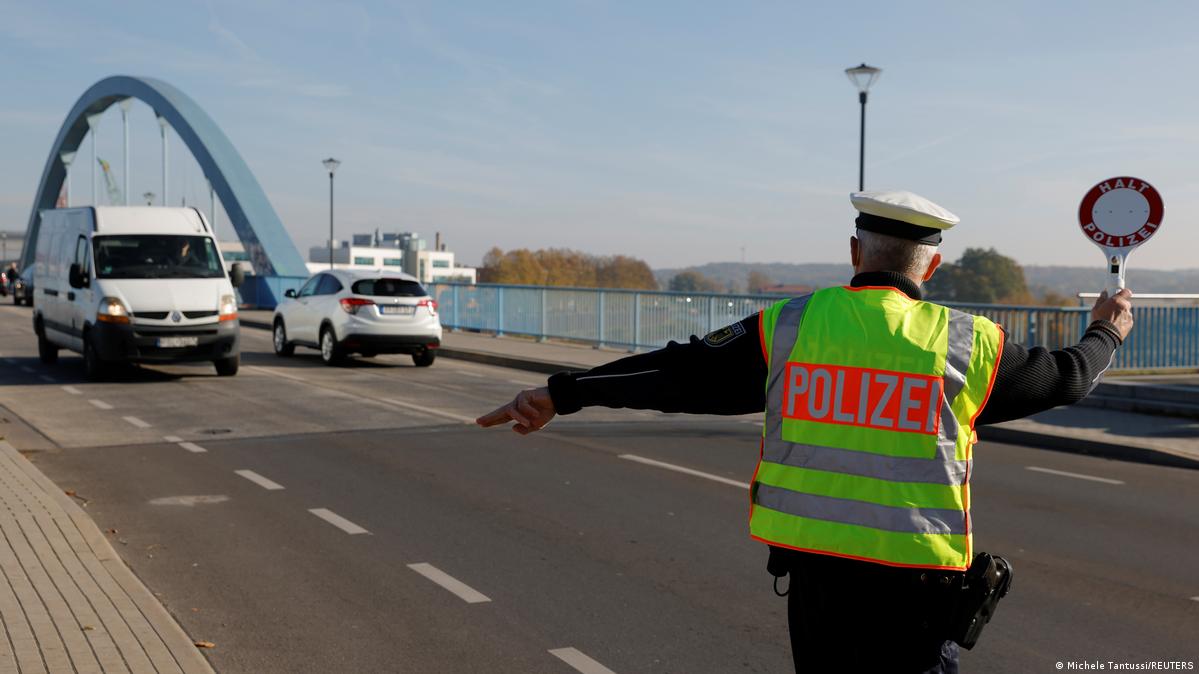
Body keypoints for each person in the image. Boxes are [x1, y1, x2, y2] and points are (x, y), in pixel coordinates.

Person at [477, 190, 1133, 673]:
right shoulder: (969, 346)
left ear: (854, 253)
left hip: (817, 589)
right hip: (916, 597)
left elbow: (675, 371)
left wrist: (558, 393)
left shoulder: (786, 328)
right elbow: (1068, 376)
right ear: (930, 267)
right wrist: (1107, 330)